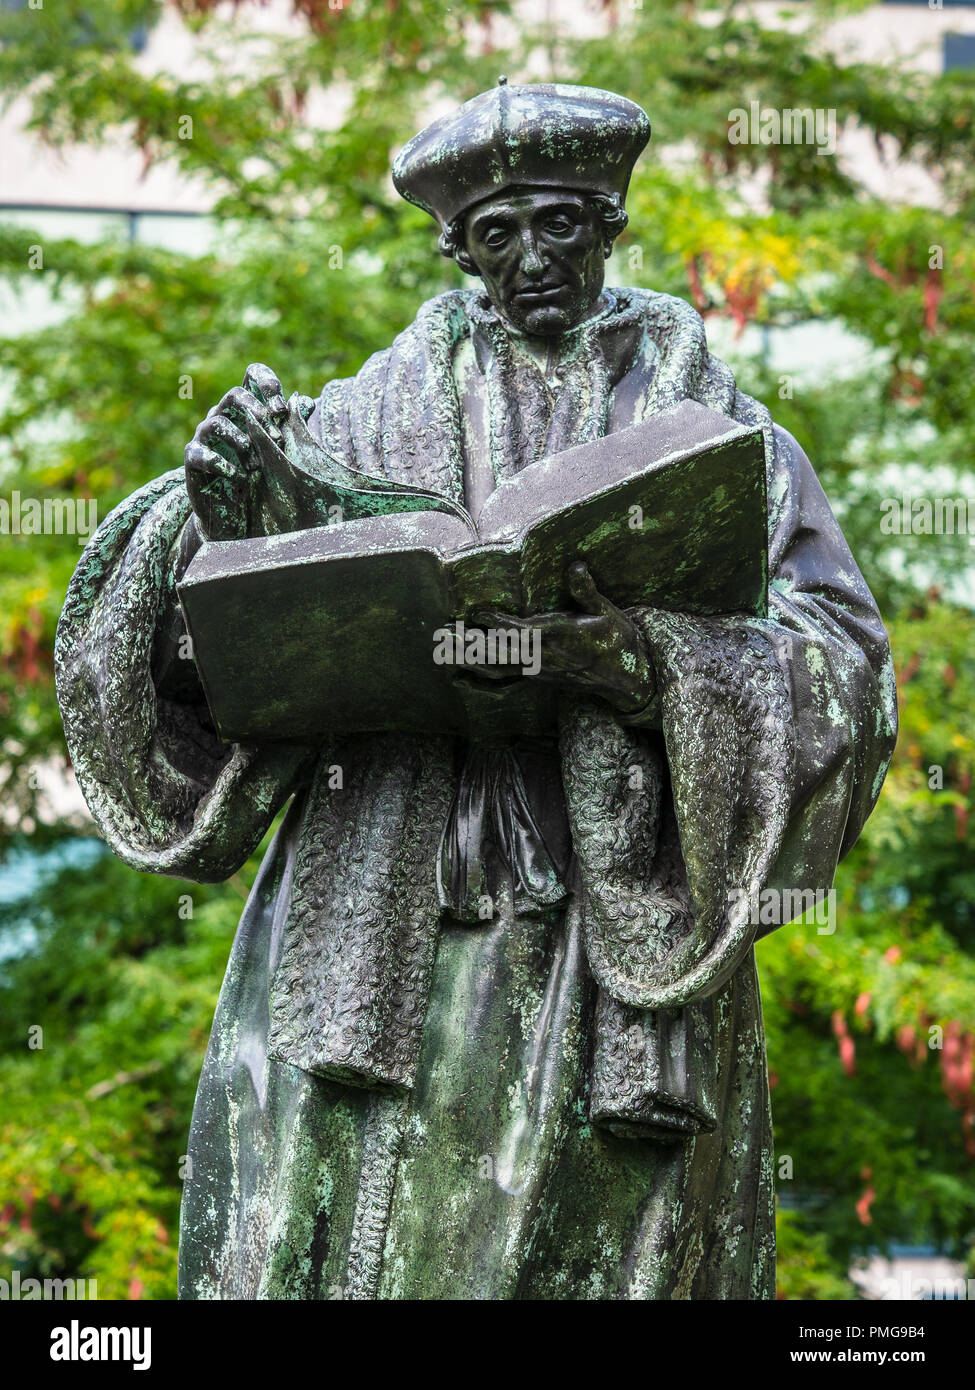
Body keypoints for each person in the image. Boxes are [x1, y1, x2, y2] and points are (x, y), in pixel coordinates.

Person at [55, 81, 897, 1300]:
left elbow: (849, 678)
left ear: (610, 223)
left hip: (609, 957)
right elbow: (165, 653)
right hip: (382, 939)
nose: (532, 256)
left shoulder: (726, 440)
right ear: (457, 249)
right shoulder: (351, 425)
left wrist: (653, 665)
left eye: (559, 222)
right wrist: (213, 514)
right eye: (496, 234)